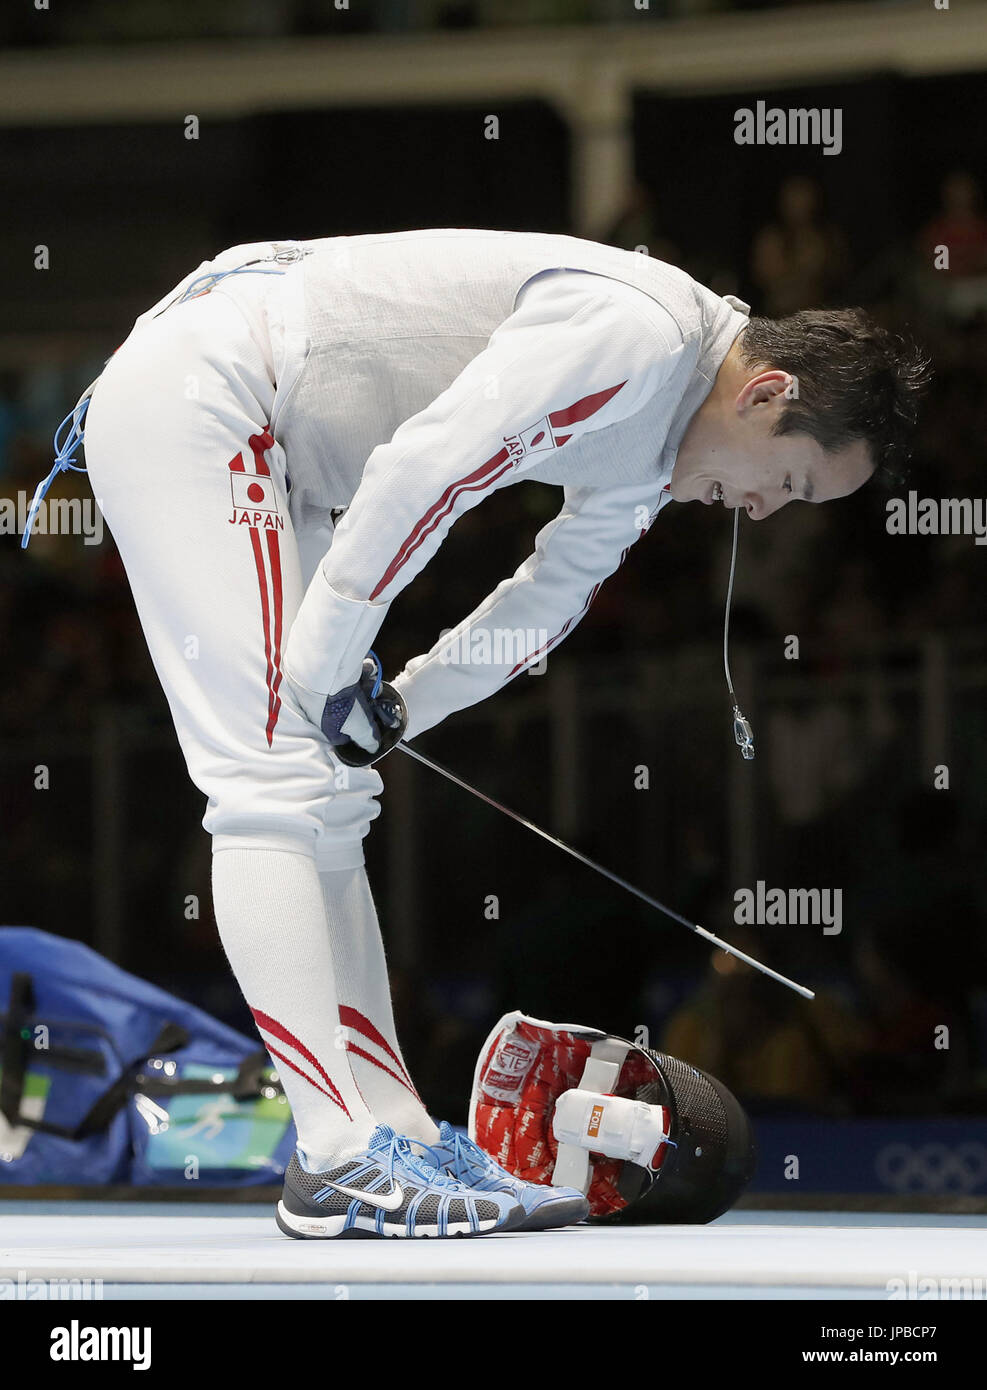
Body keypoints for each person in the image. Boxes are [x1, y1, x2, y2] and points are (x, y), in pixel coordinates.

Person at [69, 228, 927, 1239]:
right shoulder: (636, 336)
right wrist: (334, 660)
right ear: (766, 394)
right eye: (790, 482)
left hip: (274, 439)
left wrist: (400, 705)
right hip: (203, 391)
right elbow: (431, 468)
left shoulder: (658, 439)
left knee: (335, 788)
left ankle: (384, 1126)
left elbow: (546, 600)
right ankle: (335, 1157)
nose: (765, 511)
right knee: (269, 780)